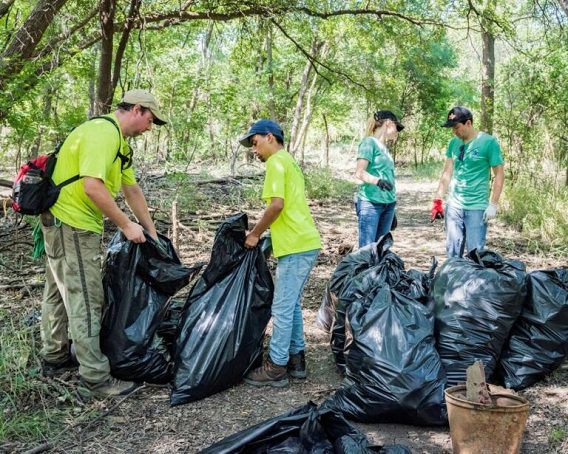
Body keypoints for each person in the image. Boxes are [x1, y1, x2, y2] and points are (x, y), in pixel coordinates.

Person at [40, 89, 167, 397]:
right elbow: (92, 187)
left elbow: (131, 189)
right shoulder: (102, 134)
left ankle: (54, 354)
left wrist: (151, 232)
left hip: (64, 221)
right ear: (137, 110)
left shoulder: (119, 144)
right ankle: (95, 378)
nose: (149, 128)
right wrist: (125, 225)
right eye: (150, 120)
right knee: (86, 295)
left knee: (60, 288)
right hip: (71, 222)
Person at [239, 119, 321, 388]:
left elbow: (276, 205)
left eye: (255, 142)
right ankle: (297, 359)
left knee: (282, 307)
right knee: (292, 304)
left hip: (298, 245)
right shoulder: (288, 160)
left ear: (270, 137)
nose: (254, 149)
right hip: (301, 242)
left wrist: (255, 233)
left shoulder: (276, 162)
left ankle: (276, 366)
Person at [431, 106, 504, 258]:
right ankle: (452, 281)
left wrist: (493, 204)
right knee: (452, 254)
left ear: (468, 123)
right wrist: (438, 200)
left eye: (457, 127)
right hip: (454, 207)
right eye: (452, 128)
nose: (454, 132)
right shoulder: (453, 143)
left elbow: (499, 174)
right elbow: (447, 172)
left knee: (476, 256)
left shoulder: (488, 143)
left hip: (477, 208)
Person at [354, 110, 403, 248]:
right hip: (371, 204)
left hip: (388, 205)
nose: (397, 131)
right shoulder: (369, 143)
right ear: (388, 123)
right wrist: (378, 182)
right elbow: (359, 173)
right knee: (367, 250)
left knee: (382, 249)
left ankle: (377, 270)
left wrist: (391, 208)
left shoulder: (385, 149)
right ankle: (365, 270)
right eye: (397, 127)